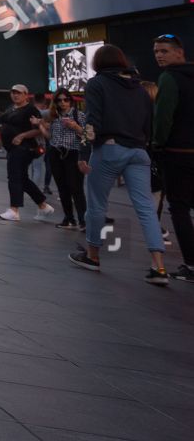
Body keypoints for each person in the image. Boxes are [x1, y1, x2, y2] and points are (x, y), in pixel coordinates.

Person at [70, 44, 169, 285]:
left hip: (109, 149)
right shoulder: (140, 89)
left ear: (98, 63)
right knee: (146, 208)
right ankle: (159, 267)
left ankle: (93, 256)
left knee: (96, 205)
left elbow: (92, 123)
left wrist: (83, 152)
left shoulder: (96, 84)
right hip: (138, 152)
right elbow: (150, 125)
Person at [152, 34, 194, 282]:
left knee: (179, 208)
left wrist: (158, 143)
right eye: (156, 51)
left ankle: (191, 263)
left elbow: (163, 117)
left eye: (165, 51)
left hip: (178, 154)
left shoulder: (170, 78)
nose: (159, 55)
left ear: (180, 52)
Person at [0, 84, 55, 222]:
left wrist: (22, 135)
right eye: (13, 92)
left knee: (14, 177)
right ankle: (43, 205)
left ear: (26, 95)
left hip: (24, 148)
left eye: (18, 93)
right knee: (22, 179)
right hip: (12, 148)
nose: (15, 95)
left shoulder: (30, 110)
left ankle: (14, 210)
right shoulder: (11, 108)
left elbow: (39, 128)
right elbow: (7, 123)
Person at [43, 91, 86, 230]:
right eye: (59, 100)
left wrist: (76, 127)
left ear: (70, 101)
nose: (63, 103)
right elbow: (51, 137)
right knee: (62, 188)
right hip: (56, 153)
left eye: (66, 99)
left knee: (76, 188)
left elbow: (89, 135)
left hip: (73, 153)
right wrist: (40, 126)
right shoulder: (54, 117)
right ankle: (69, 219)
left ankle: (83, 221)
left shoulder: (79, 115)